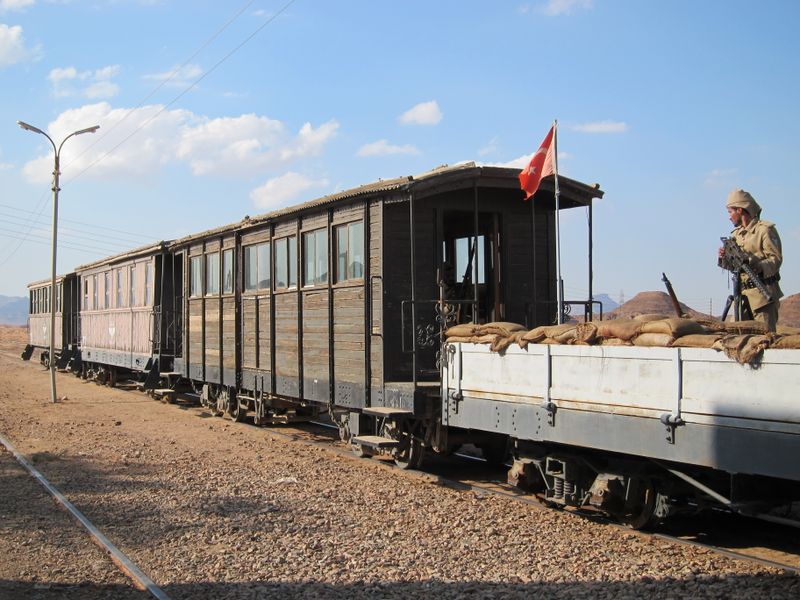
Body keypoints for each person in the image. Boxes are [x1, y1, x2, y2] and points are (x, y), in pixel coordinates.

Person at [717, 189, 783, 331]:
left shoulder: (764, 230)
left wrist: (757, 265)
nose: (729, 217)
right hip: (742, 296)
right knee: (734, 336)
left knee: (764, 341)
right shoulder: (736, 234)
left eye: (730, 212)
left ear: (740, 210)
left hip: (763, 298)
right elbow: (735, 267)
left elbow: (776, 259)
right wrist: (723, 258)